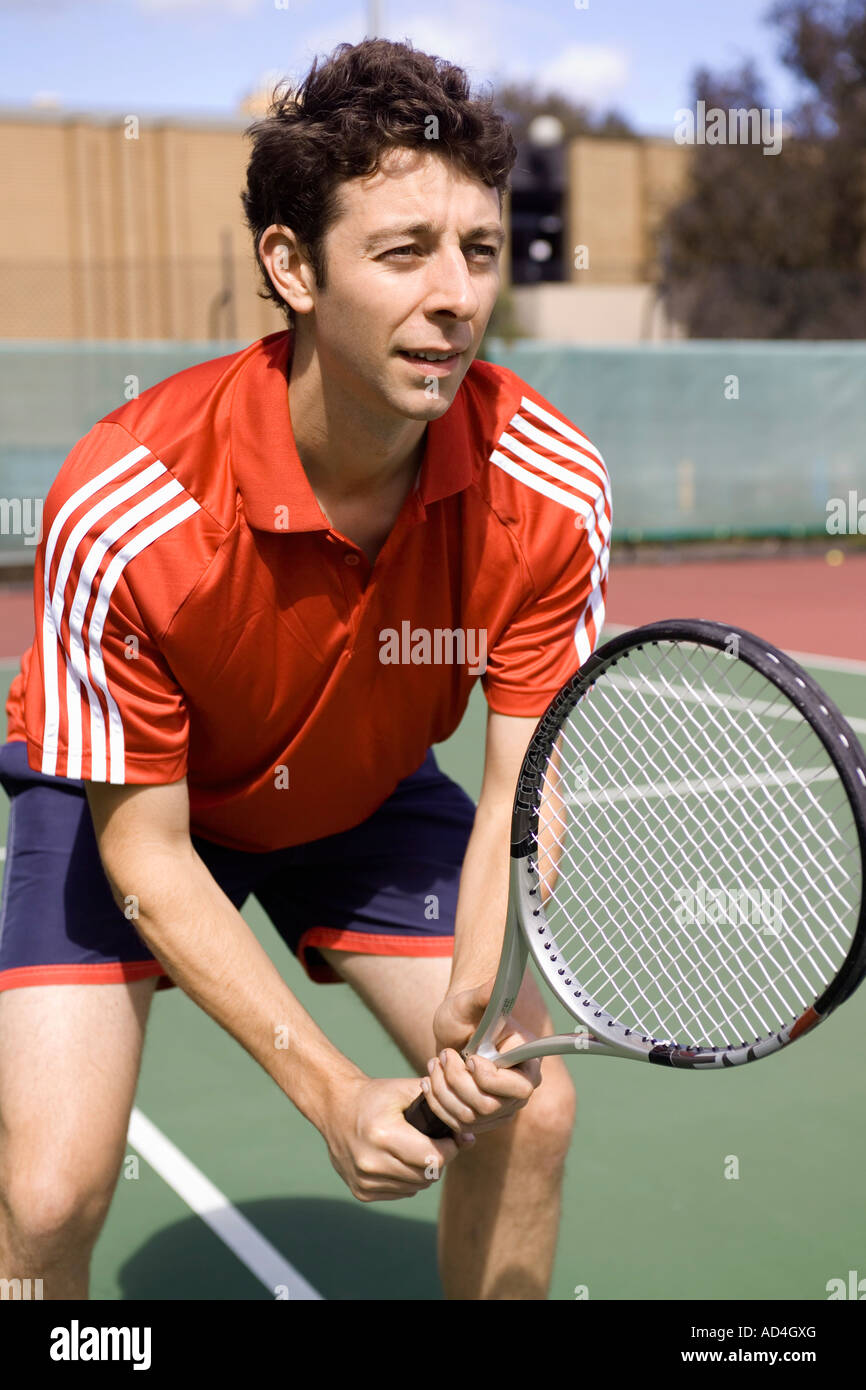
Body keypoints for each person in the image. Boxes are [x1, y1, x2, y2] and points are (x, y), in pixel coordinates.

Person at [0, 37, 610, 1301]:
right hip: (138, 805)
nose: (454, 295)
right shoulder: (130, 502)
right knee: (48, 1189)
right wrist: (329, 1090)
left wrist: (470, 1001)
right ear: (291, 266)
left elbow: (516, 790)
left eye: (478, 251)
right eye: (401, 253)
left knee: (526, 1109)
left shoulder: (548, 488)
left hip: (363, 792)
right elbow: (150, 855)